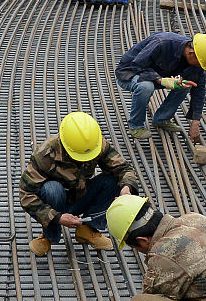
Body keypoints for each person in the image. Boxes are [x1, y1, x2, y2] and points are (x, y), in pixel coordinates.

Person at [20, 110, 139, 257]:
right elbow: (26, 194)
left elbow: (123, 168)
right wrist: (57, 217)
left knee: (115, 181)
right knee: (53, 189)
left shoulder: (96, 144)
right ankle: (49, 237)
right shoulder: (45, 155)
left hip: (81, 194)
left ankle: (88, 229)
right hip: (55, 203)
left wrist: (126, 189)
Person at [115, 32, 206, 142]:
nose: (199, 66)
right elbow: (137, 65)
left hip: (159, 75)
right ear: (191, 53)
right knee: (146, 87)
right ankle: (135, 126)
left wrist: (195, 122)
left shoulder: (197, 58)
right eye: (199, 63)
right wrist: (161, 80)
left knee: (186, 84)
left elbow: (199, 89)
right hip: (129, 73)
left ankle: (161, 119)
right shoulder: (162, 43)